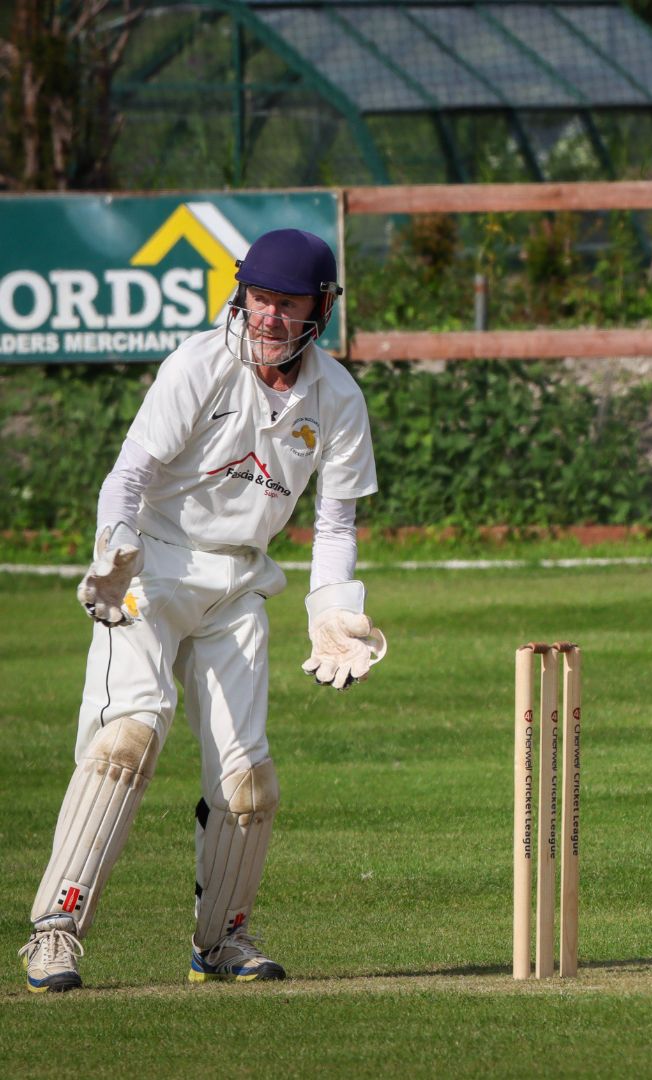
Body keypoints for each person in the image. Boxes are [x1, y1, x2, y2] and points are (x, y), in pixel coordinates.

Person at [18, 229, 386, 992]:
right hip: (150, 568)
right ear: (240, 295)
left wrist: (333, 612)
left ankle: (221, 943)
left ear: (322, 308)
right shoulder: (199, 364)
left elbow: (336, 526)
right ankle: (53, 931)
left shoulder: (338, 398)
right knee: (127, 741)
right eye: (259, 299)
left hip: (240, 585)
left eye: (289, 304)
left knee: (249, 783)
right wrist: (113, 550)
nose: (270, 318)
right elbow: (129, 475)